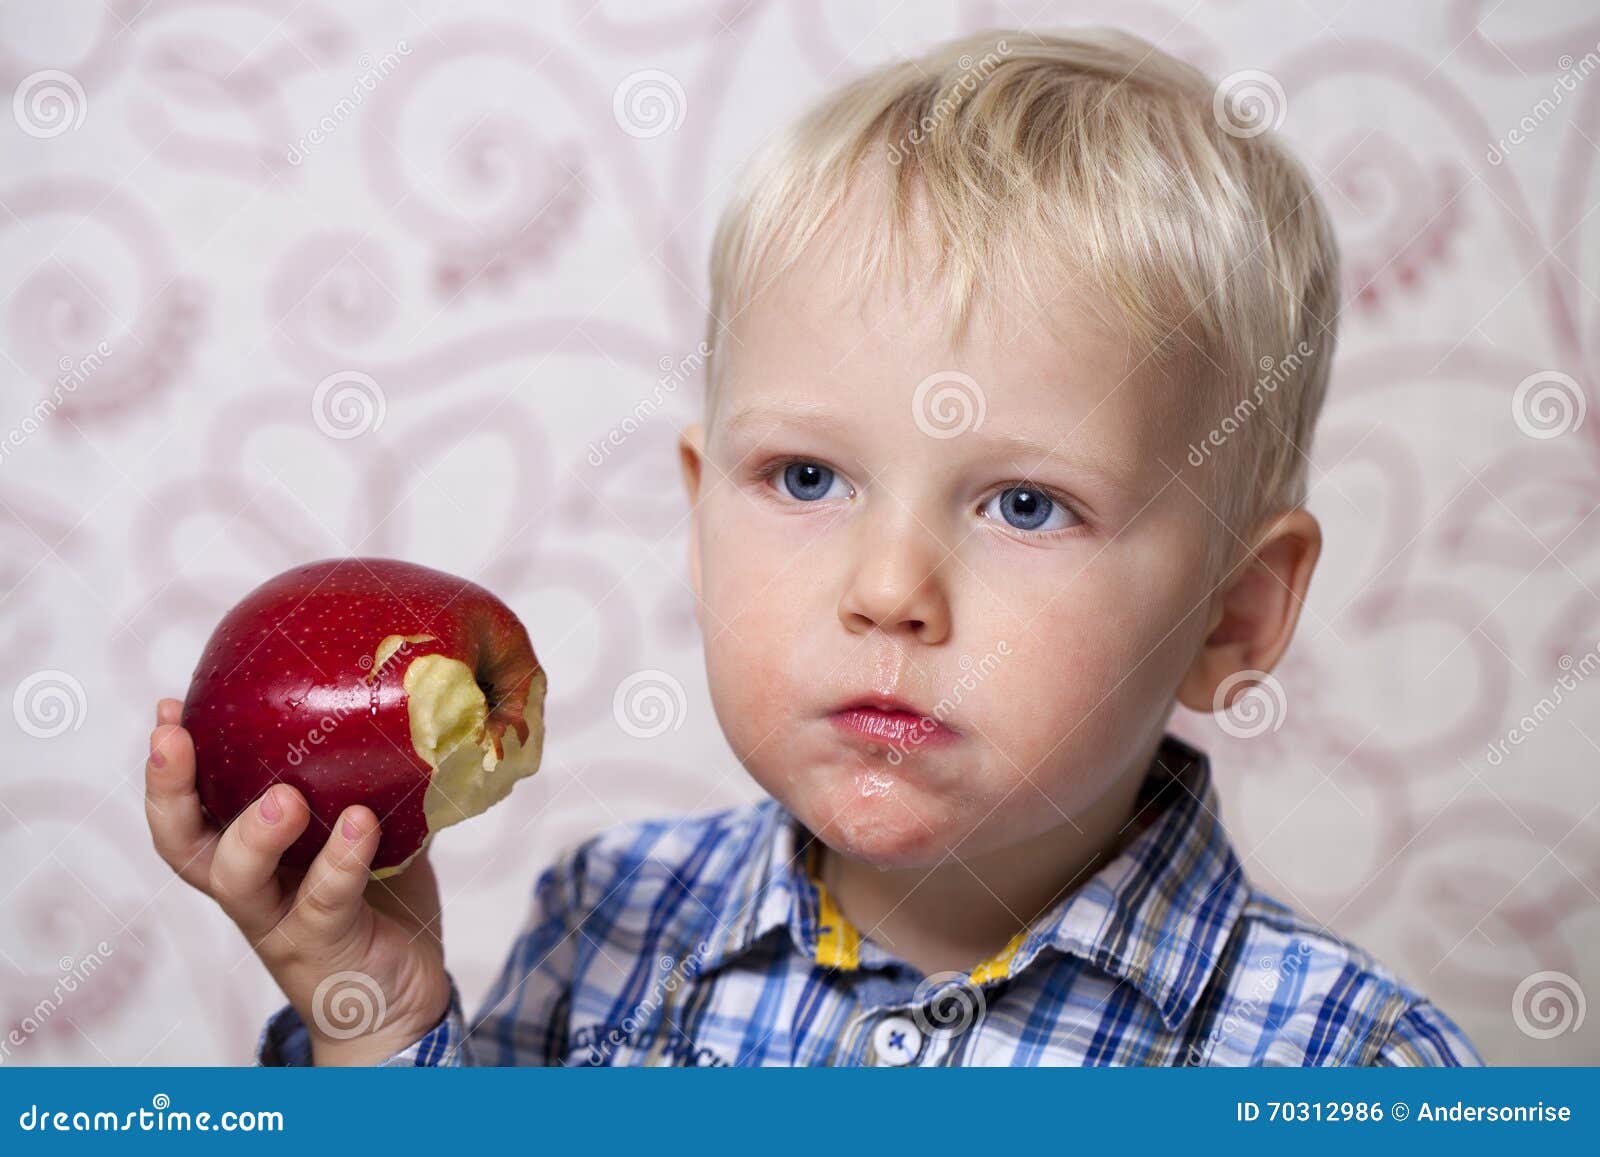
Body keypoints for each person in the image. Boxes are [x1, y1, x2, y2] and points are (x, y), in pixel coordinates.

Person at [144, 27, 1481, 1066]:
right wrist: (371, 1010)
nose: (888, 590)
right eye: (805, 476)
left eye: (1024, 503)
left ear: (1233, 617)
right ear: (699, 518)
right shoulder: (611, 925)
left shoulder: (1348, 1061)